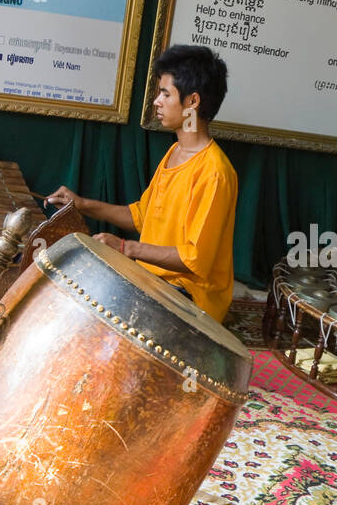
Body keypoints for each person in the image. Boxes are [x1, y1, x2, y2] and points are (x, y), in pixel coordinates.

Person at [45, 45, 238, 322]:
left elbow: (194, 259)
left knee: (89, 307)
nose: (157, 101)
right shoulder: (174, 153)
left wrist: (126, 248)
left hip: (190, 297)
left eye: (166, 93)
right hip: (154, 279)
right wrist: (82, 205)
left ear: (192, 101)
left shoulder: (214, 172)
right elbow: (141, 216)